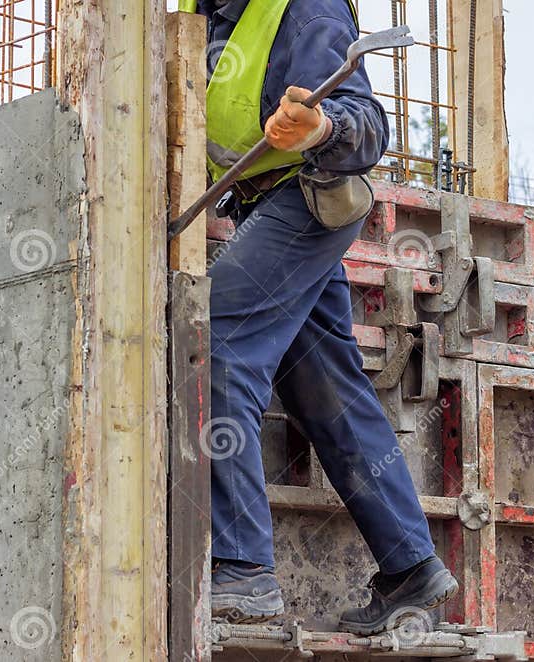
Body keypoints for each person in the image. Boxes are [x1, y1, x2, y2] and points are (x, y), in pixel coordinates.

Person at [180, 0, 459, 635]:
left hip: (306, 202)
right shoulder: (205, 17)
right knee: (321, 382)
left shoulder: (304, 9)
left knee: (215, 344)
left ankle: (244, 571)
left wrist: (318, 129)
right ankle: (410, 568)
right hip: (263, 211)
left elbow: (365, 123)